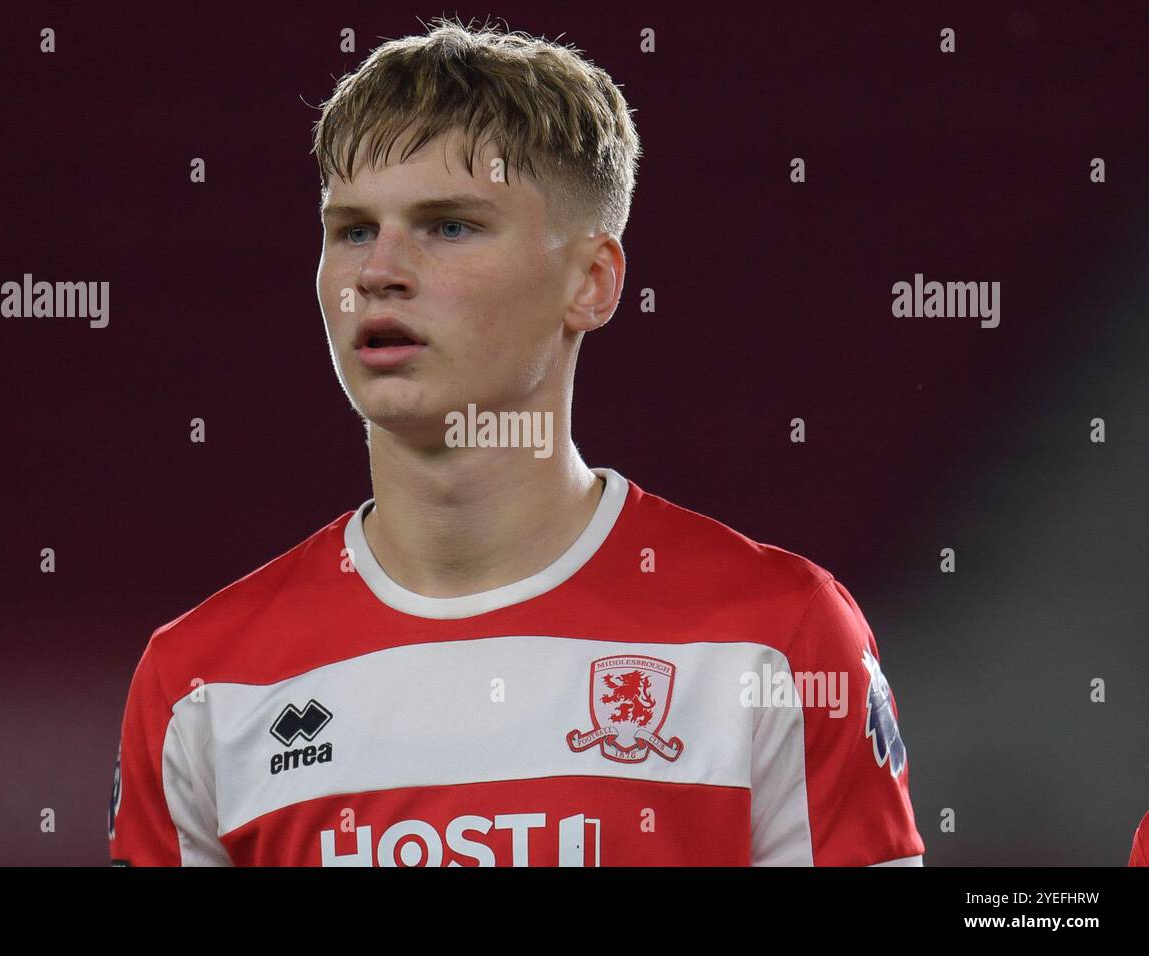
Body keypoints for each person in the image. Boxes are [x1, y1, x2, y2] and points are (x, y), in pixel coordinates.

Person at [109, 16, 924, 866]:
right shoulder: (201, 682)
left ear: (592, 282)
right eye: (352, 229)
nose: (378, 270)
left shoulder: (776, 640)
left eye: (448, 225)